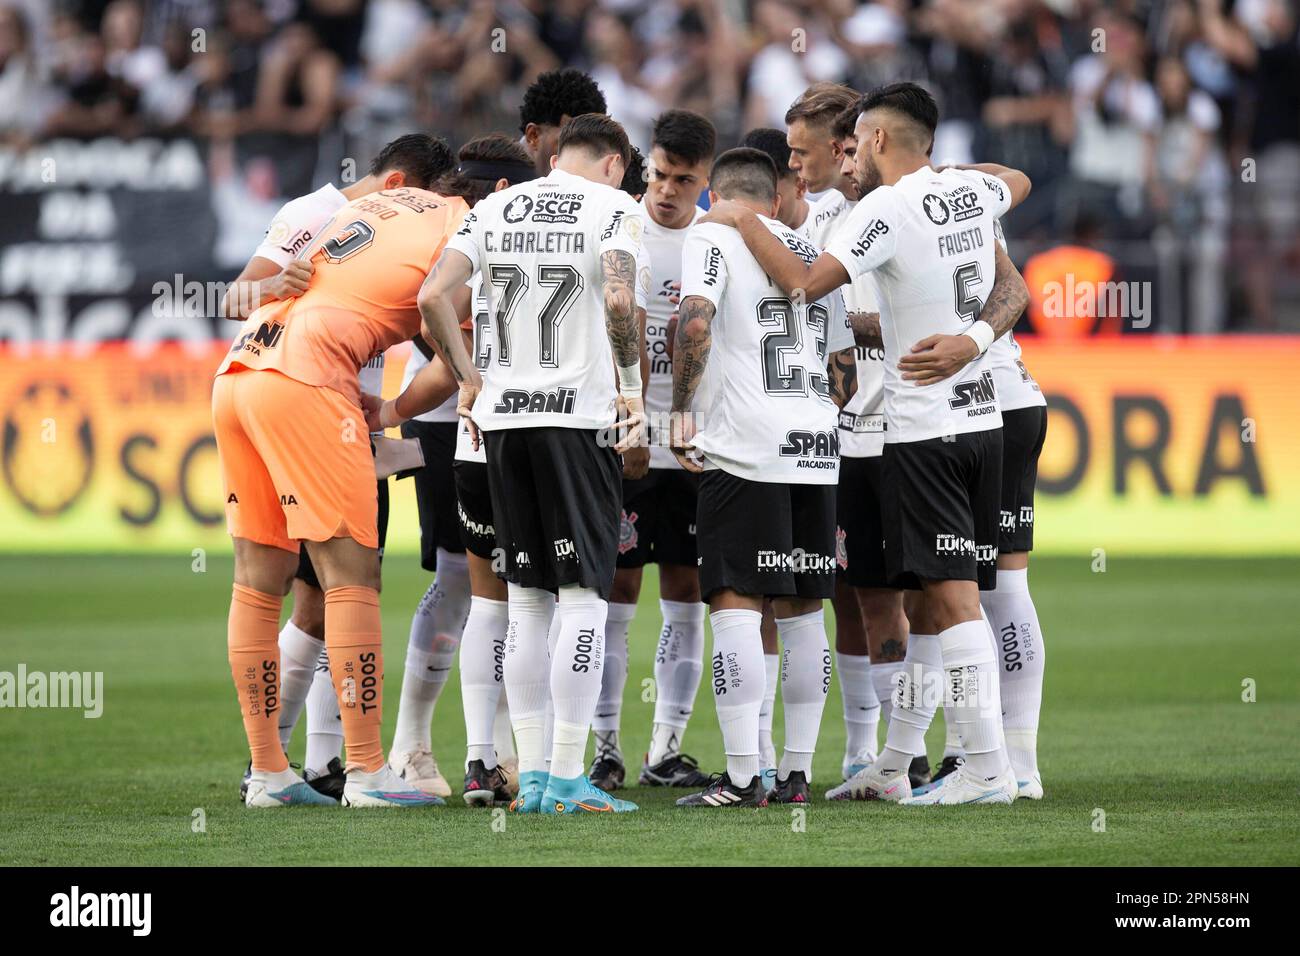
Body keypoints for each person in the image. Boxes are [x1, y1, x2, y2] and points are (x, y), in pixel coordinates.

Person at [704, 83, 1031, 806]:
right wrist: (972, 341)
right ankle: (899, 758)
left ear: (876, 140)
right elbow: (1017, 205)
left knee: (950, 606)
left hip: (922, 430)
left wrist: (737, 215)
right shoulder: (968, 194)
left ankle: (986, 767)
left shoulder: (884, 208)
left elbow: (801, 282)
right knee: (928, 607)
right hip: (981, 422)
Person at [417, 113, 647, 815]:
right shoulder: (615, 208)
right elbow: (617, 296)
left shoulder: (498, 207)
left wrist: (466, 377)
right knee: (582, 595)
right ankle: (568, 778)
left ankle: (537, 776)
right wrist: (633, 392)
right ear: (615, 161)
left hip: (502, 423)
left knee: (524, 599)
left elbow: (431, 295)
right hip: (577, 419)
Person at [214, 181, 468, 808]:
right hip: (311, 379)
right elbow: (448, 353)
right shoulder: (467, 224)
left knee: (257, 576)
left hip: (241, 369)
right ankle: (366, 771)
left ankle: (269, 773)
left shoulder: (359, 207)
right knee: (351, 576)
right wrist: (394, 411)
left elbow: (241, 293)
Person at [671, 147, 856, 808]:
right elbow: (845, 368)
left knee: (736, 607)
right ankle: (798, 774)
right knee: (806, 612)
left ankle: (745, 776)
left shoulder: (710, 233)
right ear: (774, 199)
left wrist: (682, 414)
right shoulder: (804, 249)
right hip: (815, 446)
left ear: (715, 195)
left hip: (746, 448)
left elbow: (696, 317)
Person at [372, 133, 542, 806]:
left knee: (509, 584)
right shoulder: (452, 233)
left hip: (502, 416)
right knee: (462, 578)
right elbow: (431, 322)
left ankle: (494, 752)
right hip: (448, 420)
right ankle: (414, 746)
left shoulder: (484, 227)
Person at [589, 109, 718, 793]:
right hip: (626, 440)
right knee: (615, 588)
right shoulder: (621, 227)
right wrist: (634, 425)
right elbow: (616, 324)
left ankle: (665, 747)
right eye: (660, 174)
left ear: (706, 182)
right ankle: (605, 746)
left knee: (688, 590)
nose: (666, 190)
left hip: (695, 445)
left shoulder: (717, 239)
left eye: (683, 180)